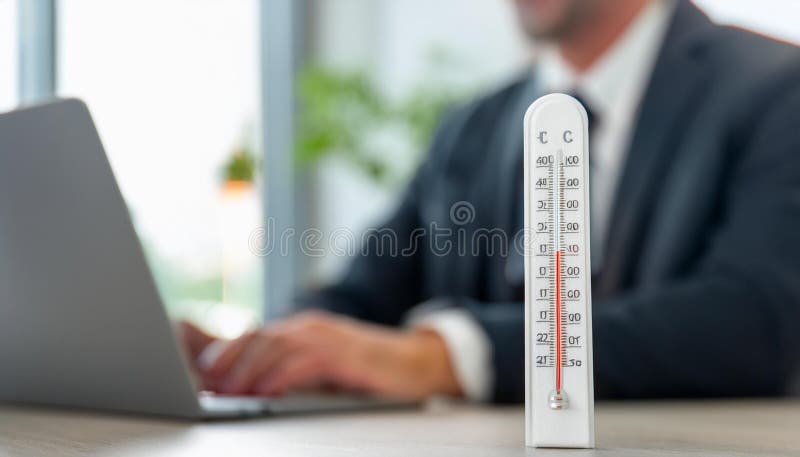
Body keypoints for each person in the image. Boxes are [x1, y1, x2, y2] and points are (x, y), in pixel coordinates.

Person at [181, 0, 800, 402]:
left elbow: (755, 319)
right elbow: (364, 296)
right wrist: (248, 355)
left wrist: (446, 357)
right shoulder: (474, 126)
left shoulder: (775, 90)